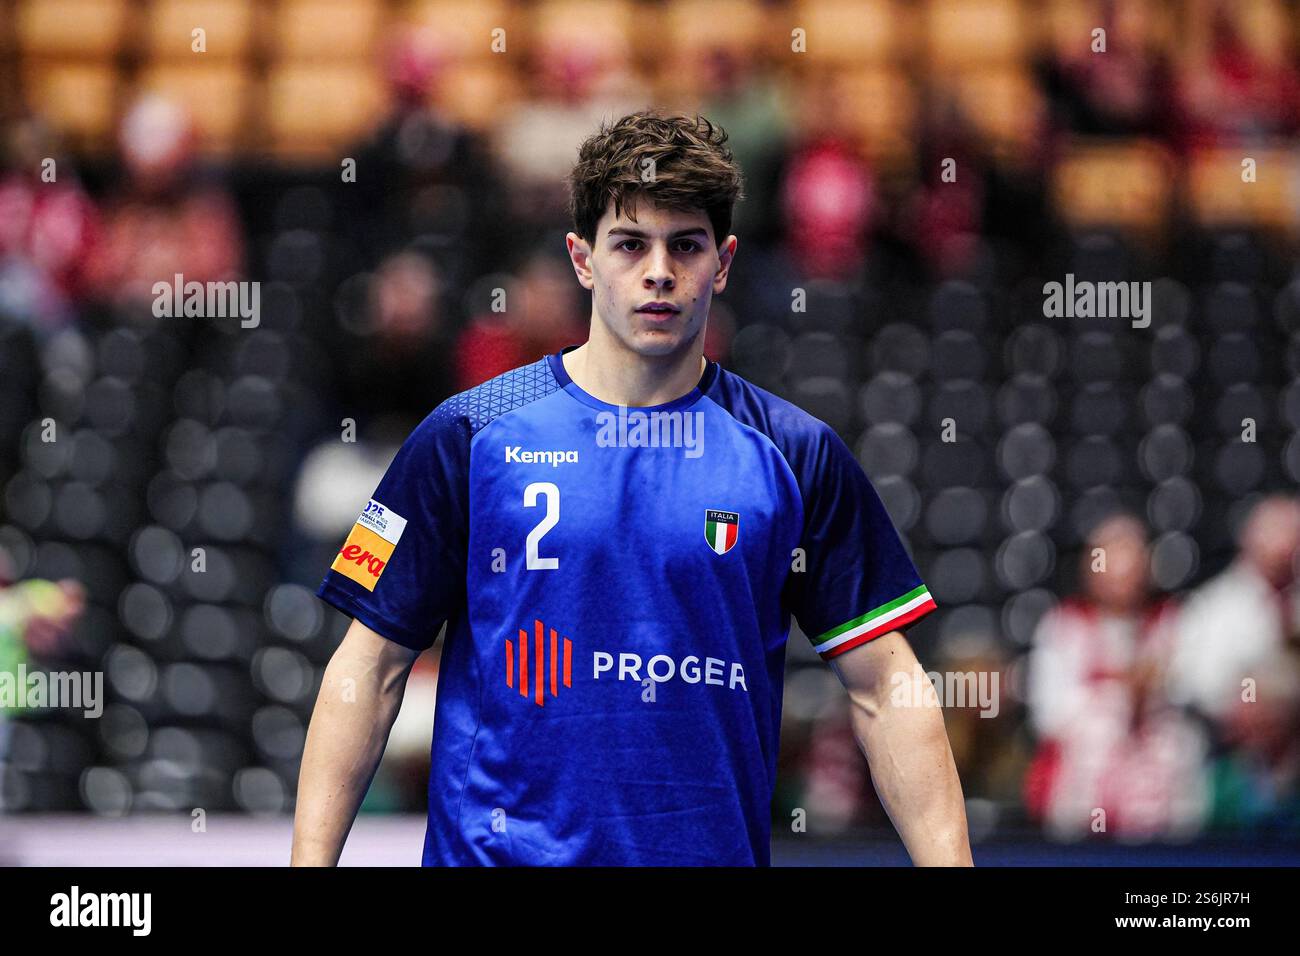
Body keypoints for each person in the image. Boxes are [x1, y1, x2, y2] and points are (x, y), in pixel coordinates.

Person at [292, 111, 969, 867]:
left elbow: (888, 689)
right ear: (582, 259)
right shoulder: (468, 433)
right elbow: (368, 666)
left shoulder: (794, 453)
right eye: (630, 244)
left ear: (725, 261)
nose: (659, 271)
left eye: (686, 245)